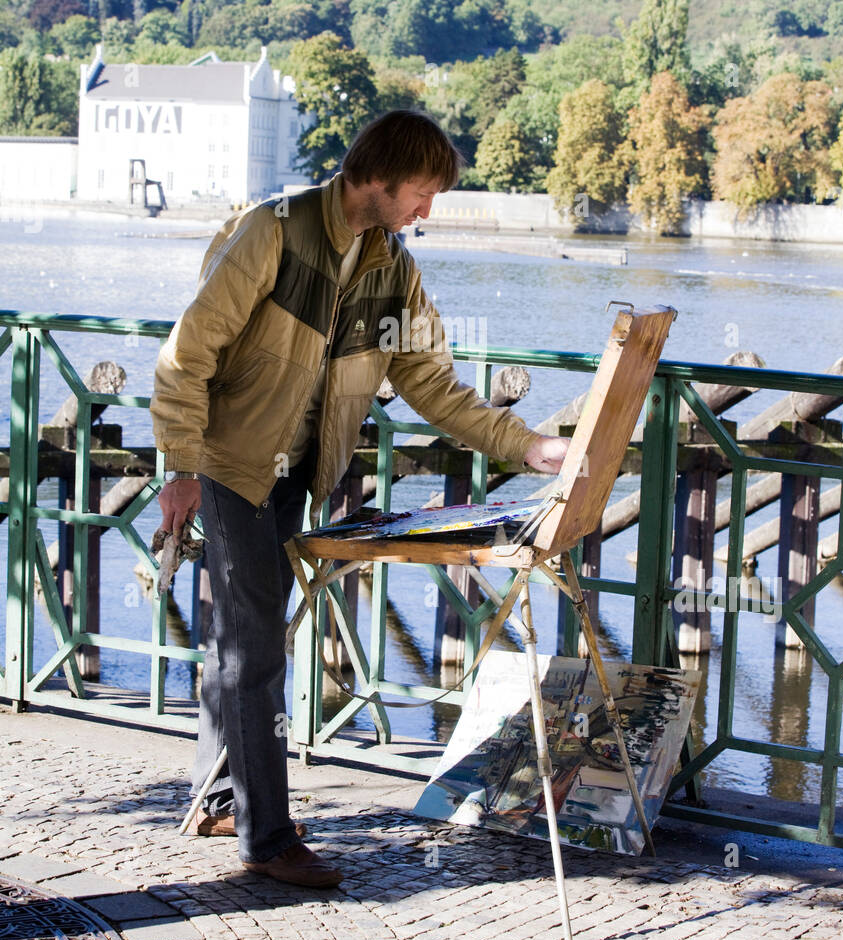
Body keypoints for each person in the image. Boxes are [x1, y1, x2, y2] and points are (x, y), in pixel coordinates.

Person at [151, 110, 568, 888]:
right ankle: (267, 840)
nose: (426, 211)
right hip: (233, 463)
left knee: (238, 638)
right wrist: (177, 466)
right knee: (255, 650)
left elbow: (433, 385)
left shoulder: (393, 269)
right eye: (421, 193)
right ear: (377, 176)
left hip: (298, 471)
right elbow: (187, 355)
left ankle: (217, 798)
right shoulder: (270, 233)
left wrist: (528, 446)